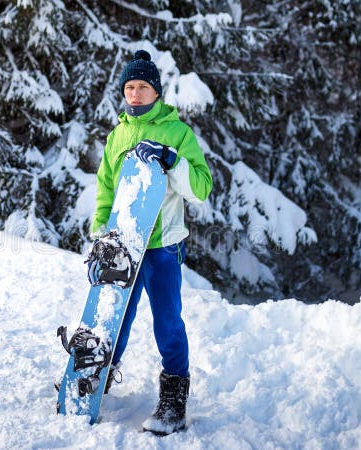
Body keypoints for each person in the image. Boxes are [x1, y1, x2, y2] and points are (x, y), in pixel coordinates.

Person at [89, 49, 212, 435]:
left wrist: (171, 160)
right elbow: (106, 190)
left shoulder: (177, 133)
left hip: (161, 246)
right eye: (129, 87)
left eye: (143, 86)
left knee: (167, 322)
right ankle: (97, 378)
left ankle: (174, 398)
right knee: (114, 319)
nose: (136, 93)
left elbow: (202, 189)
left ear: (156, 92)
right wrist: (99, 238)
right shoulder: (118, 136)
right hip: (124, 245)